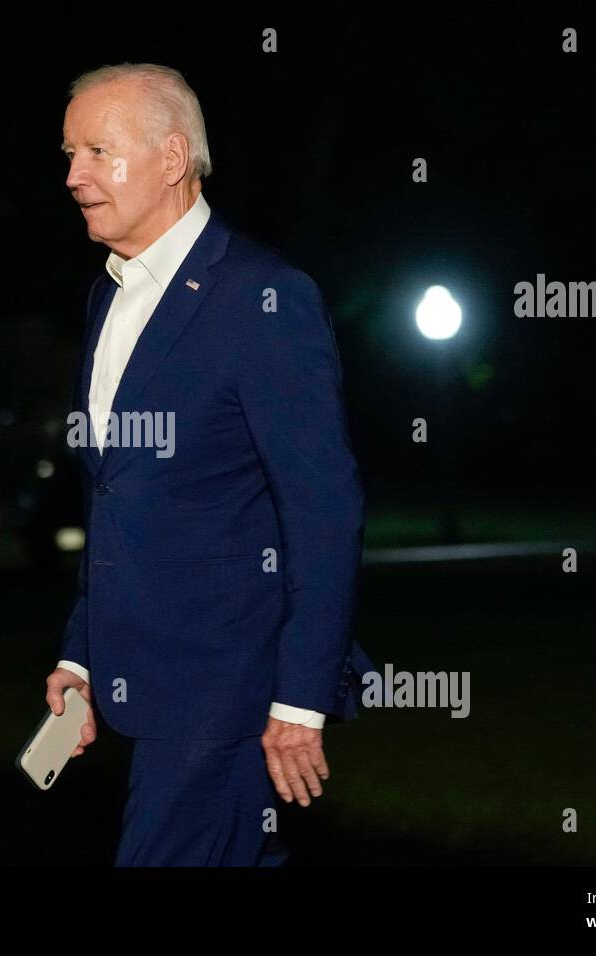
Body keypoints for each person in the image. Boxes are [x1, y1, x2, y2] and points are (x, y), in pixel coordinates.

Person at [47, 62, 370, 866]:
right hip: (143, 681)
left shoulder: (264, 298)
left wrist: (299, 699)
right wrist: (81, 653)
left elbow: (323, 513)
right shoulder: (109, 295)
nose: (72, 175)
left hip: (229, 693)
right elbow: (117, 496)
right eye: (68, 153)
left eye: (95, 150)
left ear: (170, 157)